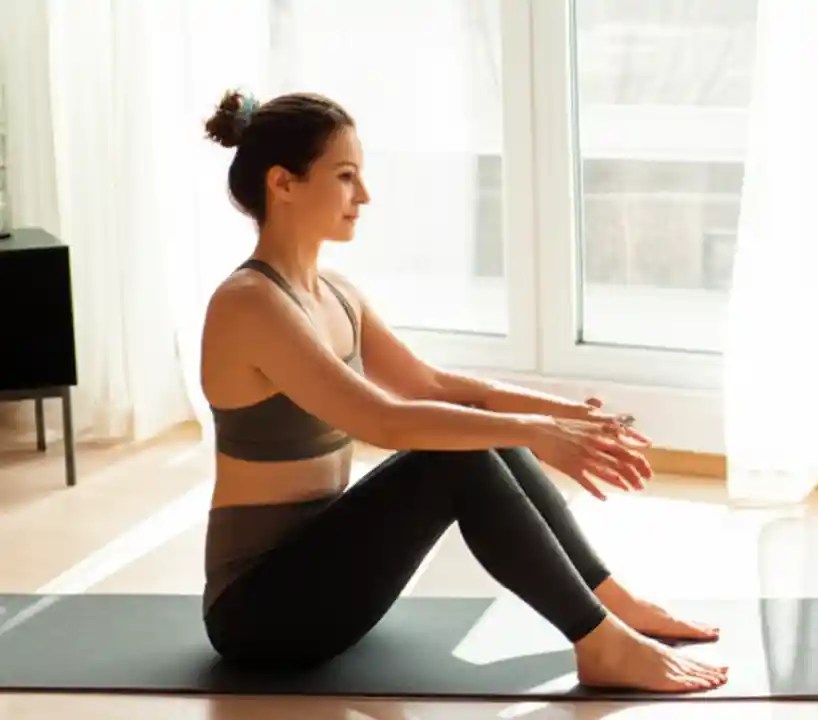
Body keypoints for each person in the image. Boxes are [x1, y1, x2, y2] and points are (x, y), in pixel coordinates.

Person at [198, 89, 728, 692]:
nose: (363, 197)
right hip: (260, 614)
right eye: (345, 177)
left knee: (471, 426)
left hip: (323, 578)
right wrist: (537, 432)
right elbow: (384, 421)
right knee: (458, 453)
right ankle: (599, 641)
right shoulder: (250, 305)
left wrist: (559, 413)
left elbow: (431, 385)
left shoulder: (336, 292)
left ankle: (612, 603)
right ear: (283, 184)